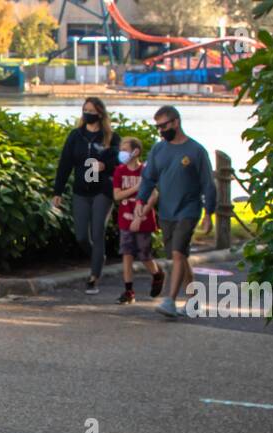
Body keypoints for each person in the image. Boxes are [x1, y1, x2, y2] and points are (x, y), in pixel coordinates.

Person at [132, 105, 217, 318]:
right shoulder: (159, 150)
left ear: (176, 122)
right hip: (167, 212)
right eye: (158, 127)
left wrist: (209, 213)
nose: (161, 130)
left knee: (178, 254)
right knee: (180, 256)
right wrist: (141, 200)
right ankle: (194, 299)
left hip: (189, 209)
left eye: (164, 125)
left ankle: (169, 300)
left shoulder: (196, 151)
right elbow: (149, 177)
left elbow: (208, 184)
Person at [52, 97, 119, 294]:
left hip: (102, 191)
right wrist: (58, 191)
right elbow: (65, 164)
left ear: (100, 113)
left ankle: (93, 277)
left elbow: (121, 159)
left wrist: (105, 165)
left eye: (91, 110)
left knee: (98, 231)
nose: (87, 113)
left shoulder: (110, 137)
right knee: (81, 235)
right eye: (85, 110)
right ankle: (98, 257)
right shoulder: (76, 136)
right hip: (81, 191)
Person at [112, 136, 165, 304]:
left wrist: (140, 216)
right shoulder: (120, 171)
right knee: (126, 254)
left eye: (125, 149)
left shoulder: (145, 171)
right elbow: (117, 195)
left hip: (143, 220)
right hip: (125, 218)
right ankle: (128, 291)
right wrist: (136, 188)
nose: (122, 153)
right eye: (121, 149)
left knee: (144, 255)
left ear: (136, 151)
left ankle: (157, 274)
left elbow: (153, 195)